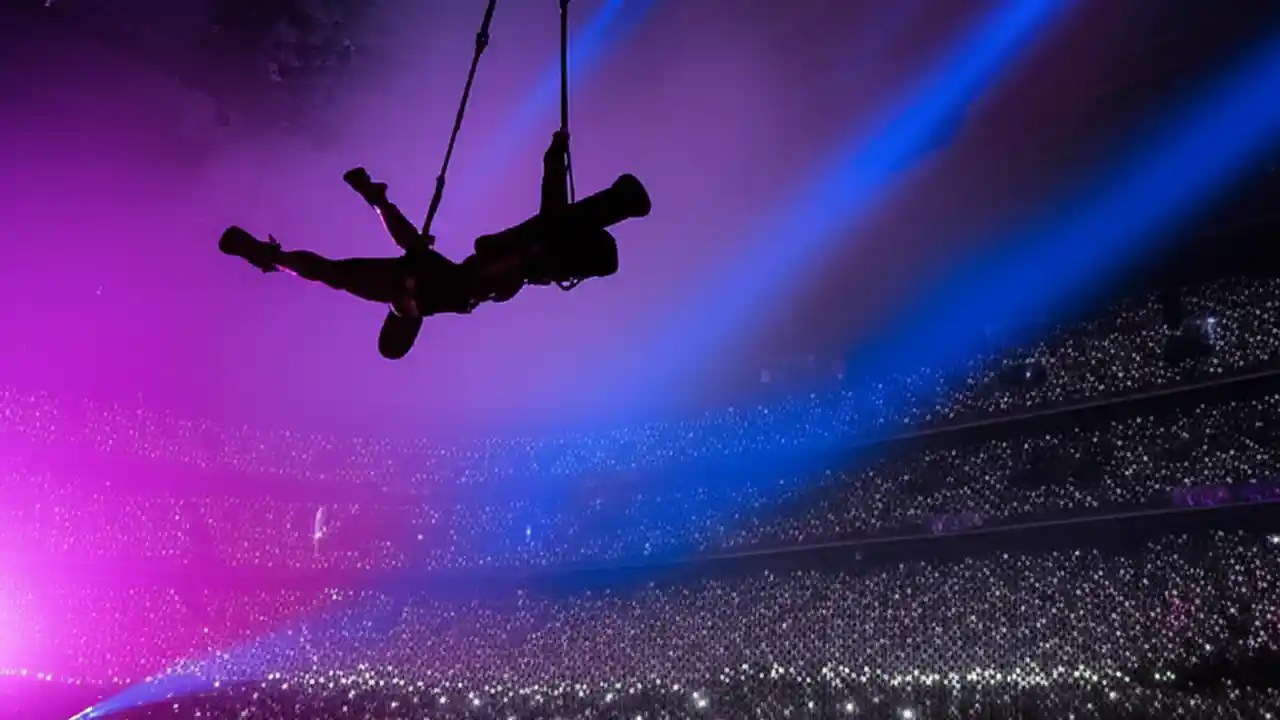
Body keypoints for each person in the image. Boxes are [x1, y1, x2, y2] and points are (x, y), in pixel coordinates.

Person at [219, 132, 649, 320]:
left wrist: (555, 153)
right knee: (348, 272)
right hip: (455, 285)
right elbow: (556, 212)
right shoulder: (550, 257)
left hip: (457, 283)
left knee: (370, 266)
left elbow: (556, 204)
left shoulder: (547, 251)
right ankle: (368, 205)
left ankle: (370, 203)